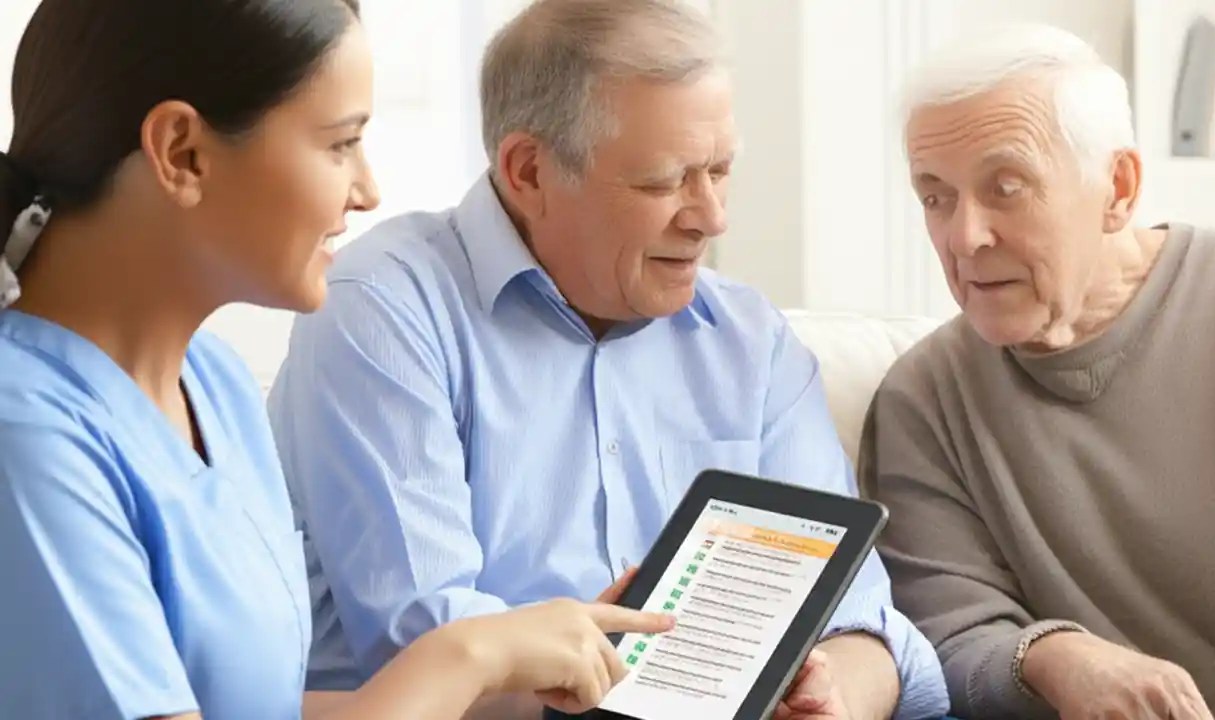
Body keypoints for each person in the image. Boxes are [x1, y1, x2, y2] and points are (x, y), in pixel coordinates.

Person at [267, 1, 949, 718]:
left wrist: (837, 694)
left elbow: (864, 619)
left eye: (720, 170)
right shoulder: (382, 307)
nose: (712, 217)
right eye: (664, 181)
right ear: (528, 170)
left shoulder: (747, 340)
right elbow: (427, 648)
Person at [0, 1, 674, 718]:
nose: (367, 190)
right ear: (181, 152)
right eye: (339, 144)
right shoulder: (25, 434)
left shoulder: (215, 385)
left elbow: (255, 710)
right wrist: (466, 654)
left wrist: (508, 657)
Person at [858, 23, 1215, 720]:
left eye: (1007, 186)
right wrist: (1050, 655)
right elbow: (945, 640)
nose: (965, 237)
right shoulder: (925, 398)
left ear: (1117, 187)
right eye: (936, 197)